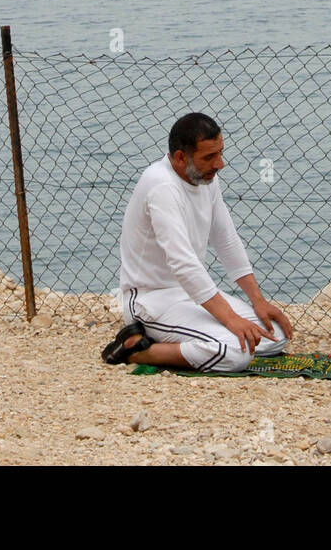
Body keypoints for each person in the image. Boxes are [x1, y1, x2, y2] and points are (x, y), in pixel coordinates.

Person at [102, 111, 293, 371]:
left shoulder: (205, 178)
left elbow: (226, 240)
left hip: (190, 295)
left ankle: (177, 343)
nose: (220, 164)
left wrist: (258, 301)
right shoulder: (161, 186)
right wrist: (230, 319)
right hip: (152, 300)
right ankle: (140, 352)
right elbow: (183, 263)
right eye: (209, 157)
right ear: (180, 157)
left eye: (220, 153)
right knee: (236, 351)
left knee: (274, 336)